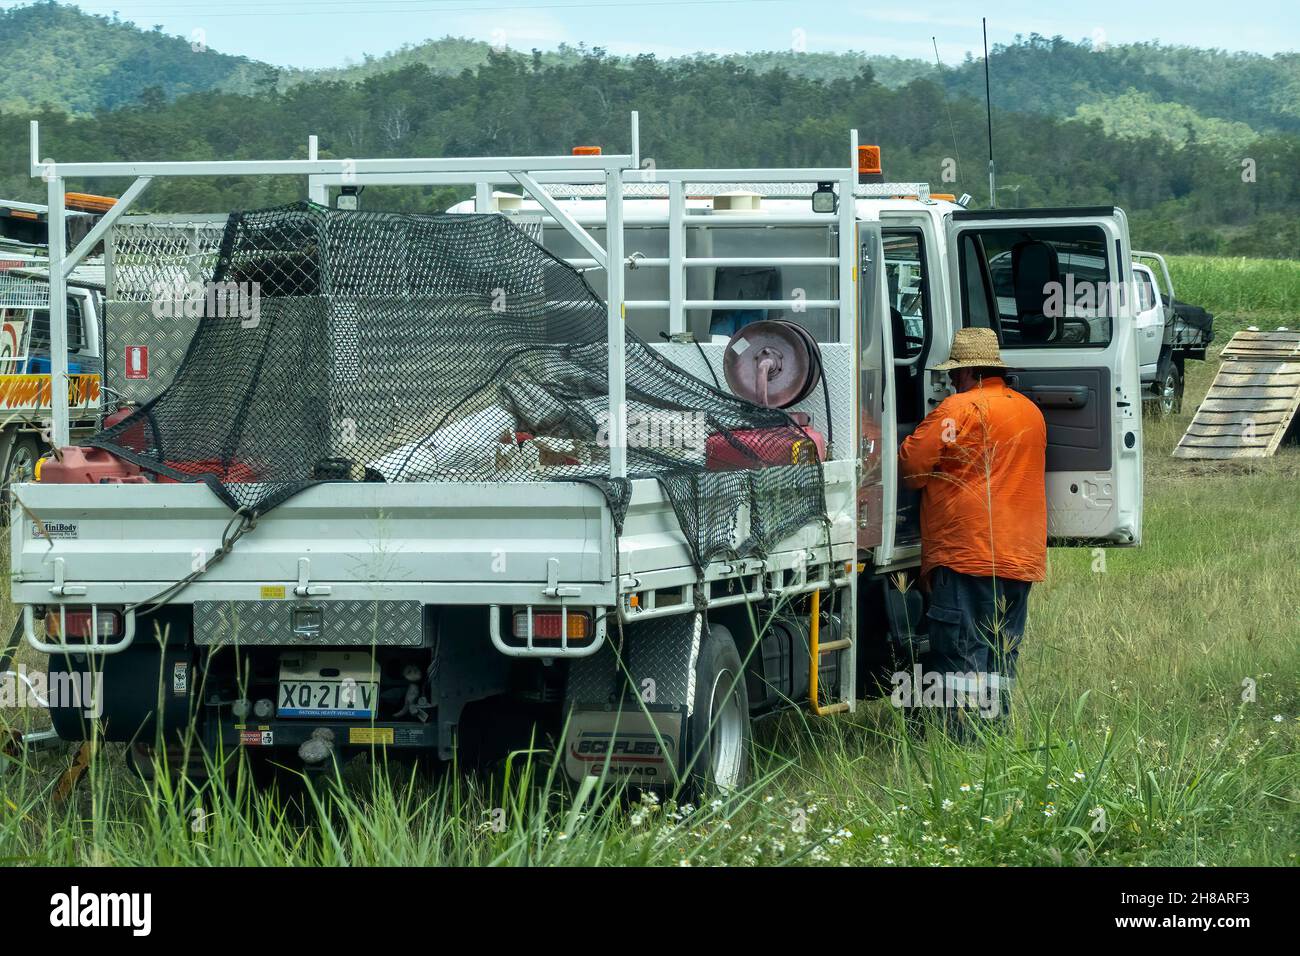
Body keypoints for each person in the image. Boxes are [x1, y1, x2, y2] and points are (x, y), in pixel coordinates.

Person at [898, 327, 1047, 735]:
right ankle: (995, 739)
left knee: (961, 653)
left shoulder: (957, 409)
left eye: (952, 375)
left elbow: (912, 468)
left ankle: (963, 744)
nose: (950, 382)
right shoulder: (1029, 412)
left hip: (966, 553)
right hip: (1020, 557)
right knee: (1001, 653)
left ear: (964, 373)